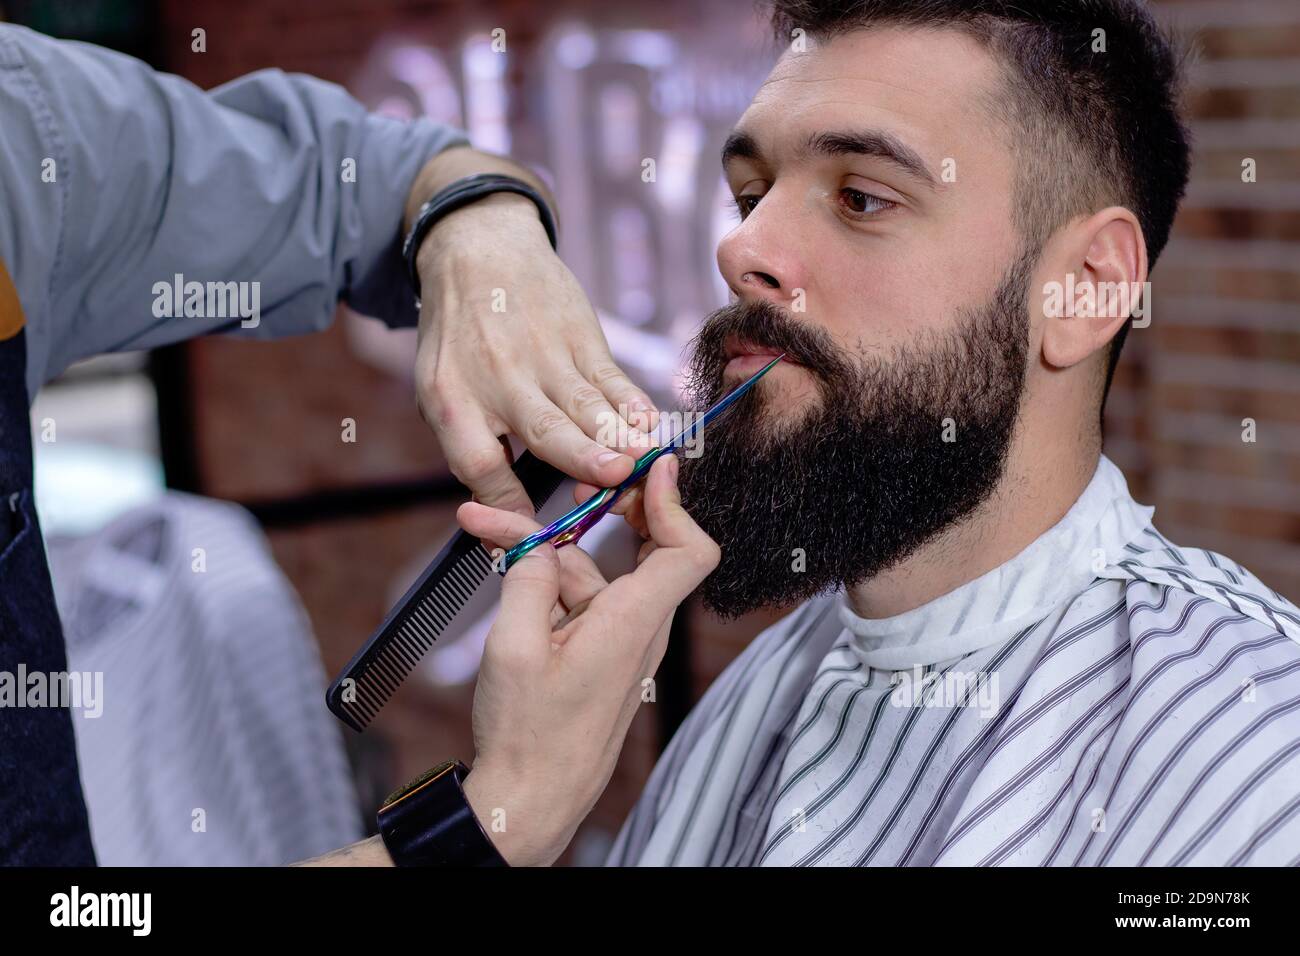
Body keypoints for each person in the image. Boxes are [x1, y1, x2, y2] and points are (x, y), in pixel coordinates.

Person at [453, 0, 1300, 866]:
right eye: (751, 195)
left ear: (1084, 287)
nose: (741, 246)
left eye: (861, 197)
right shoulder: (761, 690)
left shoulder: (1261, 755)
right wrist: (513, 803)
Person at [0, 21, 711, 867]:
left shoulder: (21, 138)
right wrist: (504, 814)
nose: (742, 249)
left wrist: (473, 227)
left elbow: (370, 180)